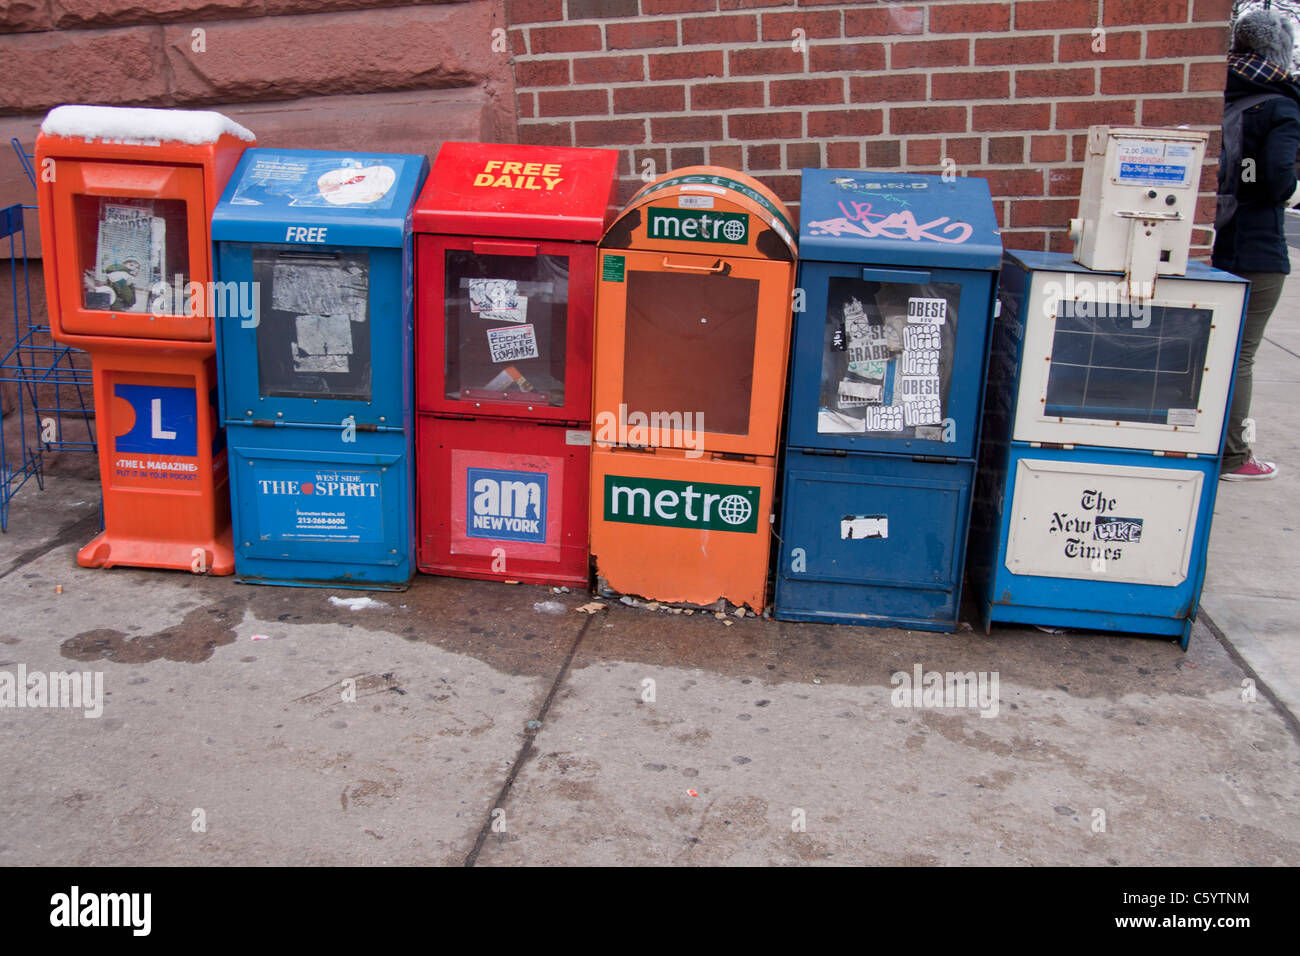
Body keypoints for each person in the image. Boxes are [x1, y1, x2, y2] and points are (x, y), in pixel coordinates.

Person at [1212, 7, 1300, 480]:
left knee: (1212, 349)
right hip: (1260, 246)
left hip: (1216, 239)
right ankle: (1233, 457)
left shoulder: (1222, 95)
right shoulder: (1283, 105)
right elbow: (1278, 181)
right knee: (1241, 355)